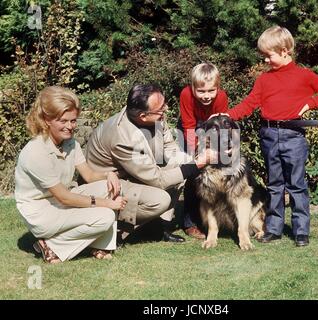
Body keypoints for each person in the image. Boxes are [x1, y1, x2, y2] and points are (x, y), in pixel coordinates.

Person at [225, 26, 318, 246]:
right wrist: (227, 115)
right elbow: (249, 104)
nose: (265, 60)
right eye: (264, 56)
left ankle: (301, 231)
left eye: (269, 55)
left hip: (293, 135)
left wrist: (309, 103)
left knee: (296, 184)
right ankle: (274, 229)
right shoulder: (264, 80)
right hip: (268, 134)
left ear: (285, 50)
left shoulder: (303, 75)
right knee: (275, 184)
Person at [84, 83, 216, 243]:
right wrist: (195, 165)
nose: (166, 109)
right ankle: (121, 228)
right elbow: (157, 180)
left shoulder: (155, 116)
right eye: (161, 109)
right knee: (160, 199)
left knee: (179, 169)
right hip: (107, 182)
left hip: (136, 171)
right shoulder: (123, 138)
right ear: (143, 116)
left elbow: (169, 147)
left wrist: (191, 160)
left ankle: (160, 228)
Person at [15, 86, 127, 264]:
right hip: (42, 212)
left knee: (111, 187)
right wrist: (108, 204)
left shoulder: (70, 143)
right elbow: (64, 197)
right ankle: (52, 245)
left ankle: (98, 244)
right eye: (63, 121)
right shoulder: (36, 151)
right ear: (46, 120)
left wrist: (109, 175)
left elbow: (89, 175)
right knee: (105, 216)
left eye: (73, 121)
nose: (70, 126)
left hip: (60, 201)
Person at [178, 63, 229, 239]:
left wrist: (218, 149)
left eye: (211, 91)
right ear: (193, 88)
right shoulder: (186, 95)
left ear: (218, 88)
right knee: (193, 175)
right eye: (201, 91)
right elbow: (189, 126)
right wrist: (197, 153)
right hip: (190, 129)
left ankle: (214, 219)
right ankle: (190, 222)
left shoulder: (221, 97)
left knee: (215, 173)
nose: (206, 96)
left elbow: (220, 126)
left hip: (212, 129)